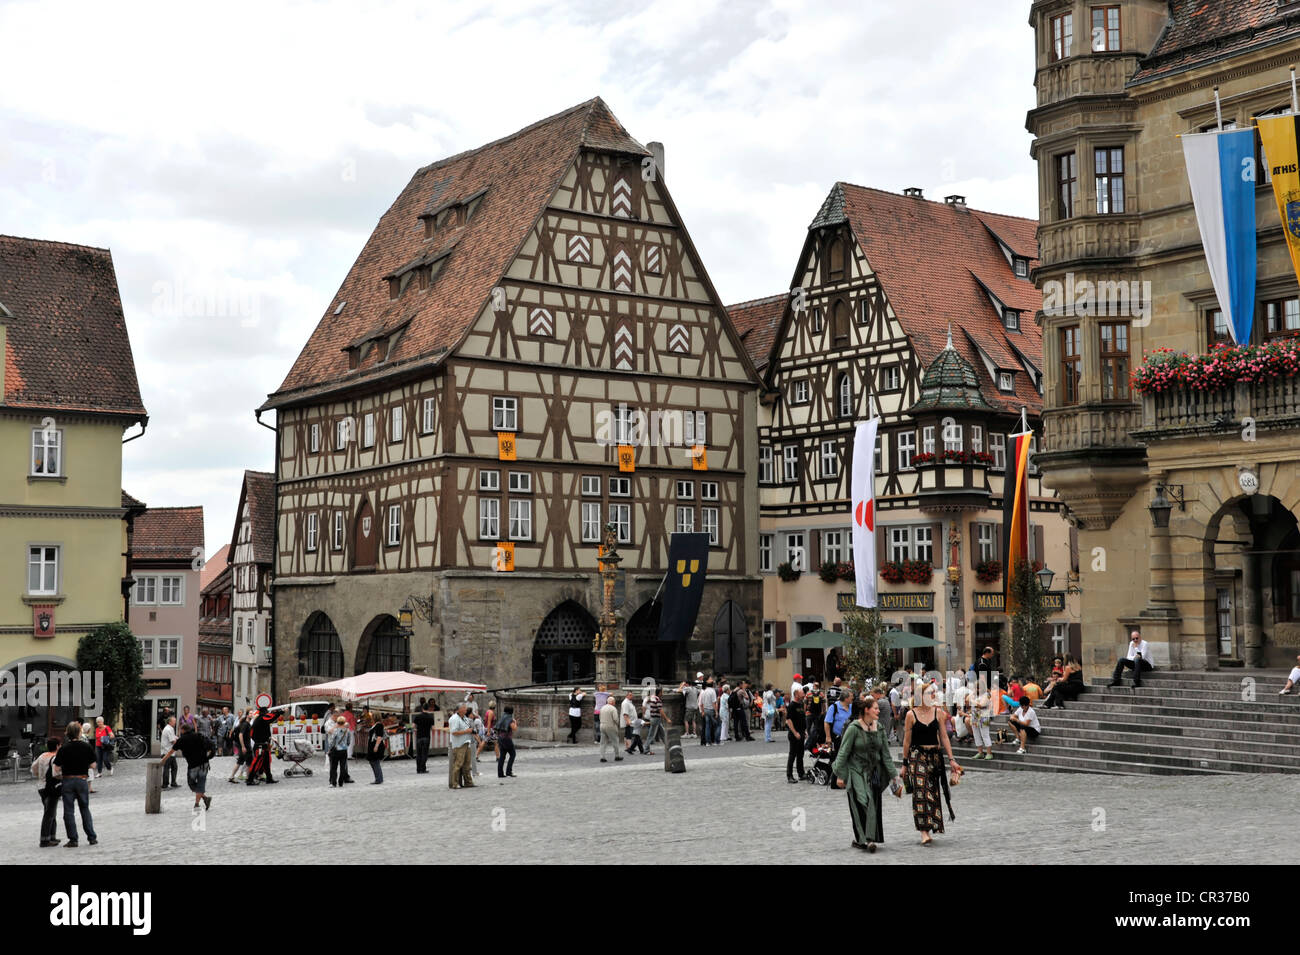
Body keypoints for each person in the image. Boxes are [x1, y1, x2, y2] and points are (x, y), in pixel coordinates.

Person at [832, 697, 901, 853]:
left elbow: (885, 754)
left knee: (873, 803)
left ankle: (867, 839)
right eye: (875, 708)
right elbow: (843, 752)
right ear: (866, 710)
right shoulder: (853, 728)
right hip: (856, 770)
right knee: (864, 801)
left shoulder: (880, 728)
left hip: (874, 772)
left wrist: (893, 775)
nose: (878, 711)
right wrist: (840, 775)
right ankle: (865, 839)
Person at [902, 683, 959, 846]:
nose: (933, 695)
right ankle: (923, 831)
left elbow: (944, 737)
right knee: (921, 791)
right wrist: (905, 764)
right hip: (917, 755)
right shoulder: (910, 715)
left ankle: (931, 823)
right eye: (929, 693)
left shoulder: (938, 713)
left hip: (935, 756)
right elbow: (906, 741)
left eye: (933, 693)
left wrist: (952, 759)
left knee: (932, 792)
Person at [53, 722, 97, 847]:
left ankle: (73, 839)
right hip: (82, 780)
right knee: (85, 809)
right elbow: (93, 765)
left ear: (67, 733)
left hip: (67, 780)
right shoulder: (86, 747)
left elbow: (56, 768)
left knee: (68, 811)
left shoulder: (64, 748)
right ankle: (91, 837)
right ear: (79, 732)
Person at [161, 722, 216, 813]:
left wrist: (163, 760)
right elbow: (210, 745)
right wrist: (208, 756)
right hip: (204, 763)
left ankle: (197, 804)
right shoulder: (198, 736)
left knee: (191, 784)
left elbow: (171, 751)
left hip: (193, 765)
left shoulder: (181, 740)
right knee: (201, 784)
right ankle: (205, 798)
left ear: (183, 730)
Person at [33, 738, 62, 847]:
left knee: (51, 811)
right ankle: (45, 839)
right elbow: (56, 773)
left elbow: (33, 768)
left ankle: (52, 836)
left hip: (41, 786)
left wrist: (40, 776)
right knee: (49, 814)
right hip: (50, 787)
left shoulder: (42, 756)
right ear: (58, 746)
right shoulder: (55, 758)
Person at [448, 702, 476, 789]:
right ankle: (454, 783)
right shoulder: (455, 719)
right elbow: (454, 732)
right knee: (458, 764)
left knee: (467, 764)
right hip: (458, 744)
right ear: (459, 709)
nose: (466, 709)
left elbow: (467, 728)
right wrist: (466, 731)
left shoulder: (464, 718)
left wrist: (471, 731)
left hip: (466, 742)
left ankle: (468, 782)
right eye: (464, 708)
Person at [782, 688, 807, 783]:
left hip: (801, 732)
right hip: (794, 734)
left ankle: (801, 773)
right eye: (802, 693)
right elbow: (788, 720)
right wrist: (795, 732)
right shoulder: (792, 705)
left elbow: (802, 718)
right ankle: (790, 776)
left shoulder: (801, 704)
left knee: (800, 754)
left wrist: (804, 731)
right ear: (796, 695)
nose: (804, 695)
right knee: (792, 754)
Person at [247, 706, 277, 785]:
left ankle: (269, 778)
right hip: (260, 745)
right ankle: (250, 779)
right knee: (256, 762)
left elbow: (252, 734)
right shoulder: (262, 719)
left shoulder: (258, 720)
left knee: (266, 763)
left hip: (262, 744)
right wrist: (280, 712)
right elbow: (271, 717)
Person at [969, 687, 992, 759]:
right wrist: (972, 694)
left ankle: (989, 753)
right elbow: (966, 700)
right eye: (976, 688)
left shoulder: (987, 695)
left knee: (985, 735)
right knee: (976, 735)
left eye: (978, 688)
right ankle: (980, 752)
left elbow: (981, 705)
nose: (977, 690)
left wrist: (972, 701)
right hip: (974, 717)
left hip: (983, 717)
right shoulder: (974, 695)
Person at [412, 702, 436, 774]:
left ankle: (418, 769)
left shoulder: (418, 716)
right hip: (426, 737)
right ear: (428, 708)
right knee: (424, 753)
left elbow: (413, 726)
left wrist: (416, 729)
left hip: (419, 736)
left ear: (422, 708)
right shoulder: (430, 717)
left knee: (418, 753)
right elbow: (433, 728)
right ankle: (423, 768)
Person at [326, 716, 350, 786]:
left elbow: (332, 741)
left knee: (334, 767)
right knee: (343, 767)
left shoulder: (335, 730)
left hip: (336, 750)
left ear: (337, 722)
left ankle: (333, 782)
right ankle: (341, 782)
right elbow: (349, 741)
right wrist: (345, 745)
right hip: (344, 750)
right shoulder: (347, 730)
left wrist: (329, 749)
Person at [228, 710, 252, 782]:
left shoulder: (247, 723)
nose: (252, 714)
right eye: (250, 713)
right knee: (248, 762)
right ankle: (248, 778)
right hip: (245, 746)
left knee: (240, 761)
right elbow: (240, 735)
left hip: (245, 745)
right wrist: (243, 746)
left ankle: (231, 777)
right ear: (247, 715)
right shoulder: (245, 724)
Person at [599, 695, 622, 763]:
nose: (615, 702)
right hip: (610, 726)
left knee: (603, 742)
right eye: (614, 701)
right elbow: (615, 719)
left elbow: (599, 717)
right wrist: (617, 723)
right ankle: (617, 756)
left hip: (602, 725)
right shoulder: (613, 708)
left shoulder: (602, 707)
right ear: (612, 702)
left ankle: (602, 757)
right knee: (615, 741)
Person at [496, 706, 517, 778]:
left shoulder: (502, 718)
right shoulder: (509, 719)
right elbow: (514, 728)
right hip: (507, 739)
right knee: (513, 754)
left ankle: (500, 773)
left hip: (500, 738)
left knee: (502, 756)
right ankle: (509, 771)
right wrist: (515, 722)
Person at [366, 715, 387, 783]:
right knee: (373, 761)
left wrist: (376, 746)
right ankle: (378, 778)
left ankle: (379, 778)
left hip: (376, 745)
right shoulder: (375, 725)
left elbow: (379, 736)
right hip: (372, 745)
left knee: (375, 762)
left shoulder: (379, 725)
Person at [160, 716, 180, 788]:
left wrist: (179, 739)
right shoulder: (168, 729)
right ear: (170, 722)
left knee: (174, 767)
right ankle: (165, 784)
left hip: (170, 752)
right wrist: (179, 743)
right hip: (167, 752)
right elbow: (172, 741)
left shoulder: (170, 728)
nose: (175, 722)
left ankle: (173, 782)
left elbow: (174, 737)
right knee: (167, 768)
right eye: (174, 721)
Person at [698, 680, 718, 746]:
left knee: (707, 726)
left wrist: (702, 711)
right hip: (711, 709)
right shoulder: (712, 691)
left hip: (705, 710)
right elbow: (714, 703)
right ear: (712, 685)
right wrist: (716, 711)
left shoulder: (704, 692)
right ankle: (715, 741)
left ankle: (707, 742)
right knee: (716, 725)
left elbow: (701, 703)